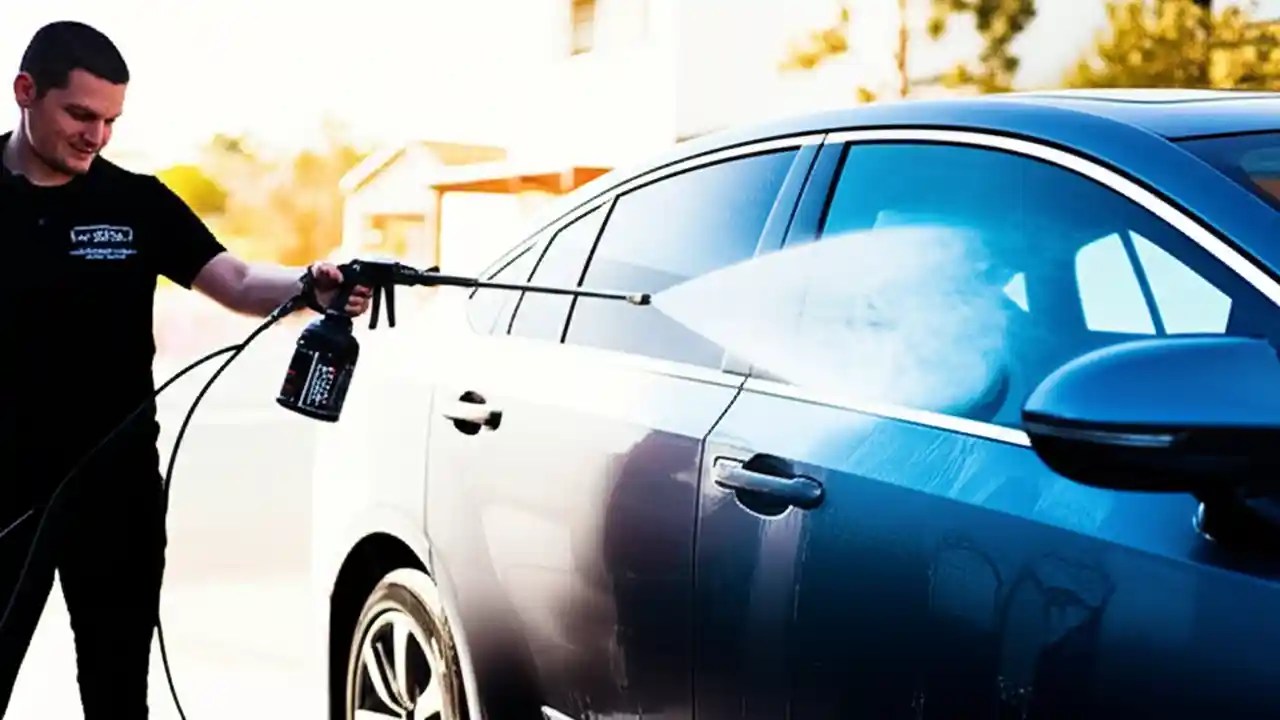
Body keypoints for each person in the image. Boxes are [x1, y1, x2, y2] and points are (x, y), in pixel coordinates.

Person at [0, 20, 373, 716]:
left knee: (116, 693)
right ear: (26, 91)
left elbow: (232, 280)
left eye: (110, 120)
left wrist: (313, 284)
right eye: (80, 114)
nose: (96, 136)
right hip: (2, 490)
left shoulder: (135, 202)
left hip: (115, 490)